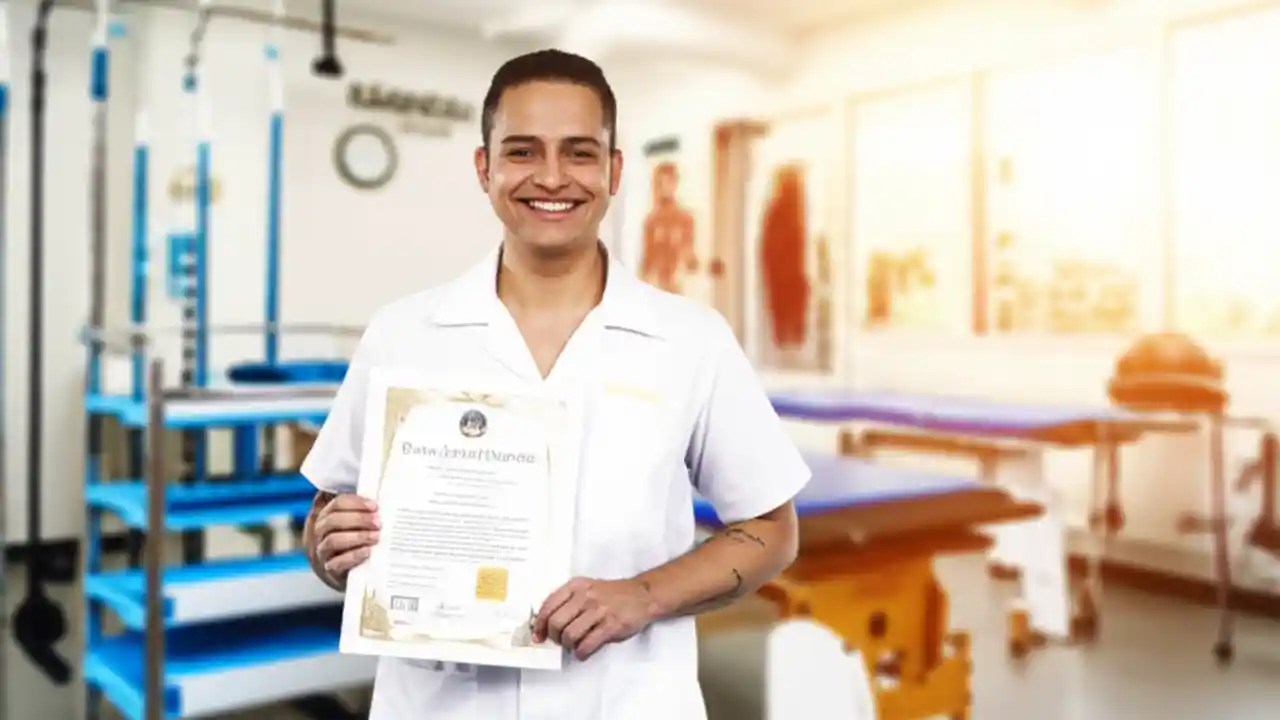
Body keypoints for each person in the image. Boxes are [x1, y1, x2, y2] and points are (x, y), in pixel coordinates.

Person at [299, 48, 811, 720]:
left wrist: (645, 594)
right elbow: (326, 516)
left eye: (578, 152)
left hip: (626, 702)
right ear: (484, 168)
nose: (551, 177)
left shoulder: (691, 341)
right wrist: (330, 550)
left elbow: (772, 528)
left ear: (613, 170)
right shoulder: (403, 333)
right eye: (521, 151)